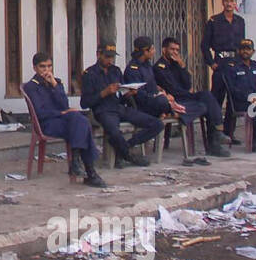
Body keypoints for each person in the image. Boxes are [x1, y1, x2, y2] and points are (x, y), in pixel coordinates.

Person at [125, 35, 214, 165]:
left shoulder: (147, 65)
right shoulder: (133, 69)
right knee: (163, 102)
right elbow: (138, 94)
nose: (154, 52)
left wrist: (163, 92)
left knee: (202, 106)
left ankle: (171, 111)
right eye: (152, 49)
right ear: (145, 51)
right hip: (146, 105)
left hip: (159, 100)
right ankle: (170, 110)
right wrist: (162, 97)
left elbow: (155, 86)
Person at [23, 52, 105, 187]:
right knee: (81, 122)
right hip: (46, 124)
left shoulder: (56, 82)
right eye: (42, 67)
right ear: (35, 68)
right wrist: (61, 113)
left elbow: (64, 104)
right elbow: (40, 112)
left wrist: (55, 85)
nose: (47, 70)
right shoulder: (31, 86)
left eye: (49, 66)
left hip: (63, 122)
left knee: (81, 121)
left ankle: (79, 164)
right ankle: (88, 170)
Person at [80, 43, 162, 169]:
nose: (110, 60)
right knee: (114, 132)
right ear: (98, 55)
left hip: (118, 107)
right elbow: (85, 103)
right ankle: (128, 155)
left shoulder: (115, 70)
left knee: (157, 124)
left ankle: (125, 147)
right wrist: (104, 93)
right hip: (103, 110)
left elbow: (122, 93)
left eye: (112, 57)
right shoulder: (89, 74)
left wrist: (129, 92)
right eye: (107, 57)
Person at [151, 36, 232, 158]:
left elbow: (187, 84)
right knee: (204, 104)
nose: (175, 52)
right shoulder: (160, 67)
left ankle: (216, 137)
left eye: (177, 50)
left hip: (184, 96)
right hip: (173, 99)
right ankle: (215, 140)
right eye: (172, 49)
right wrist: (189, 94)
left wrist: (183, 67)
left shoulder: (176, 64)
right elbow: (173, 89)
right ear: (164, 50)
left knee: (207, 96)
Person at [203, 0, 245, 141]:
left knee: (233, 100)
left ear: (235, 3)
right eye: (227, 1)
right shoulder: (214, 21)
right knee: (216, 100)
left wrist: (243, 63)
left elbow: (243, 45)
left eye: (232, 1)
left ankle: (229, 133)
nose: (229, 4)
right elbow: (204, 45)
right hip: (220, 63)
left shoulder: (240, 21)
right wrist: (211, 63)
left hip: (236, 64)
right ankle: (213, 134)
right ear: (222, 2)